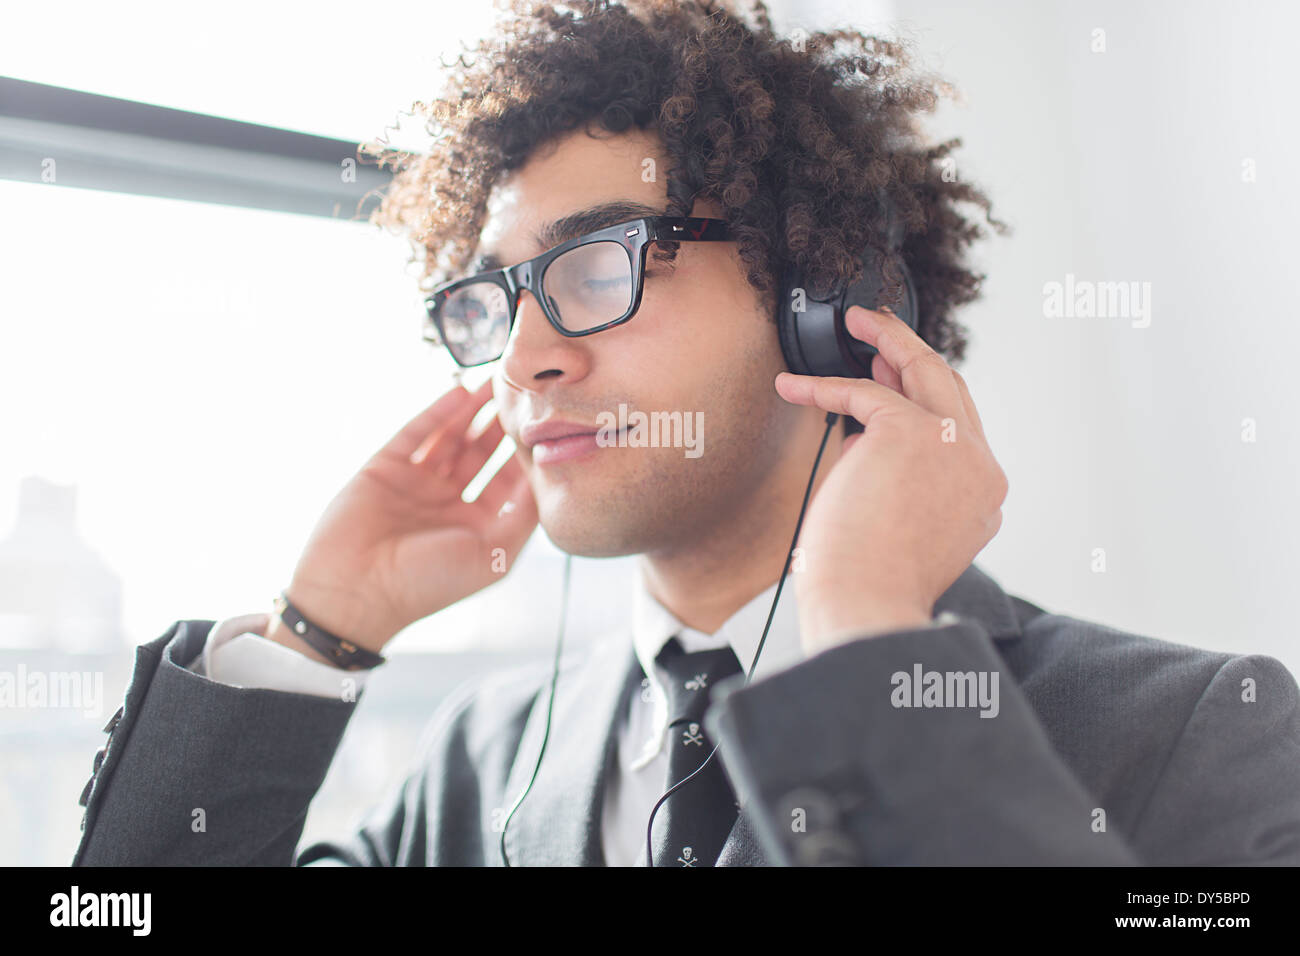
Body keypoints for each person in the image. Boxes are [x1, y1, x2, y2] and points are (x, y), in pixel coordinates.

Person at [73, 0, 1300, 867]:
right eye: (492, 296)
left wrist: (868, 626)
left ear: (825, 303)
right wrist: (314, 632)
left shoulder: (1194, 731)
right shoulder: (470, 773)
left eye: (598, 264)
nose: (525, 352)